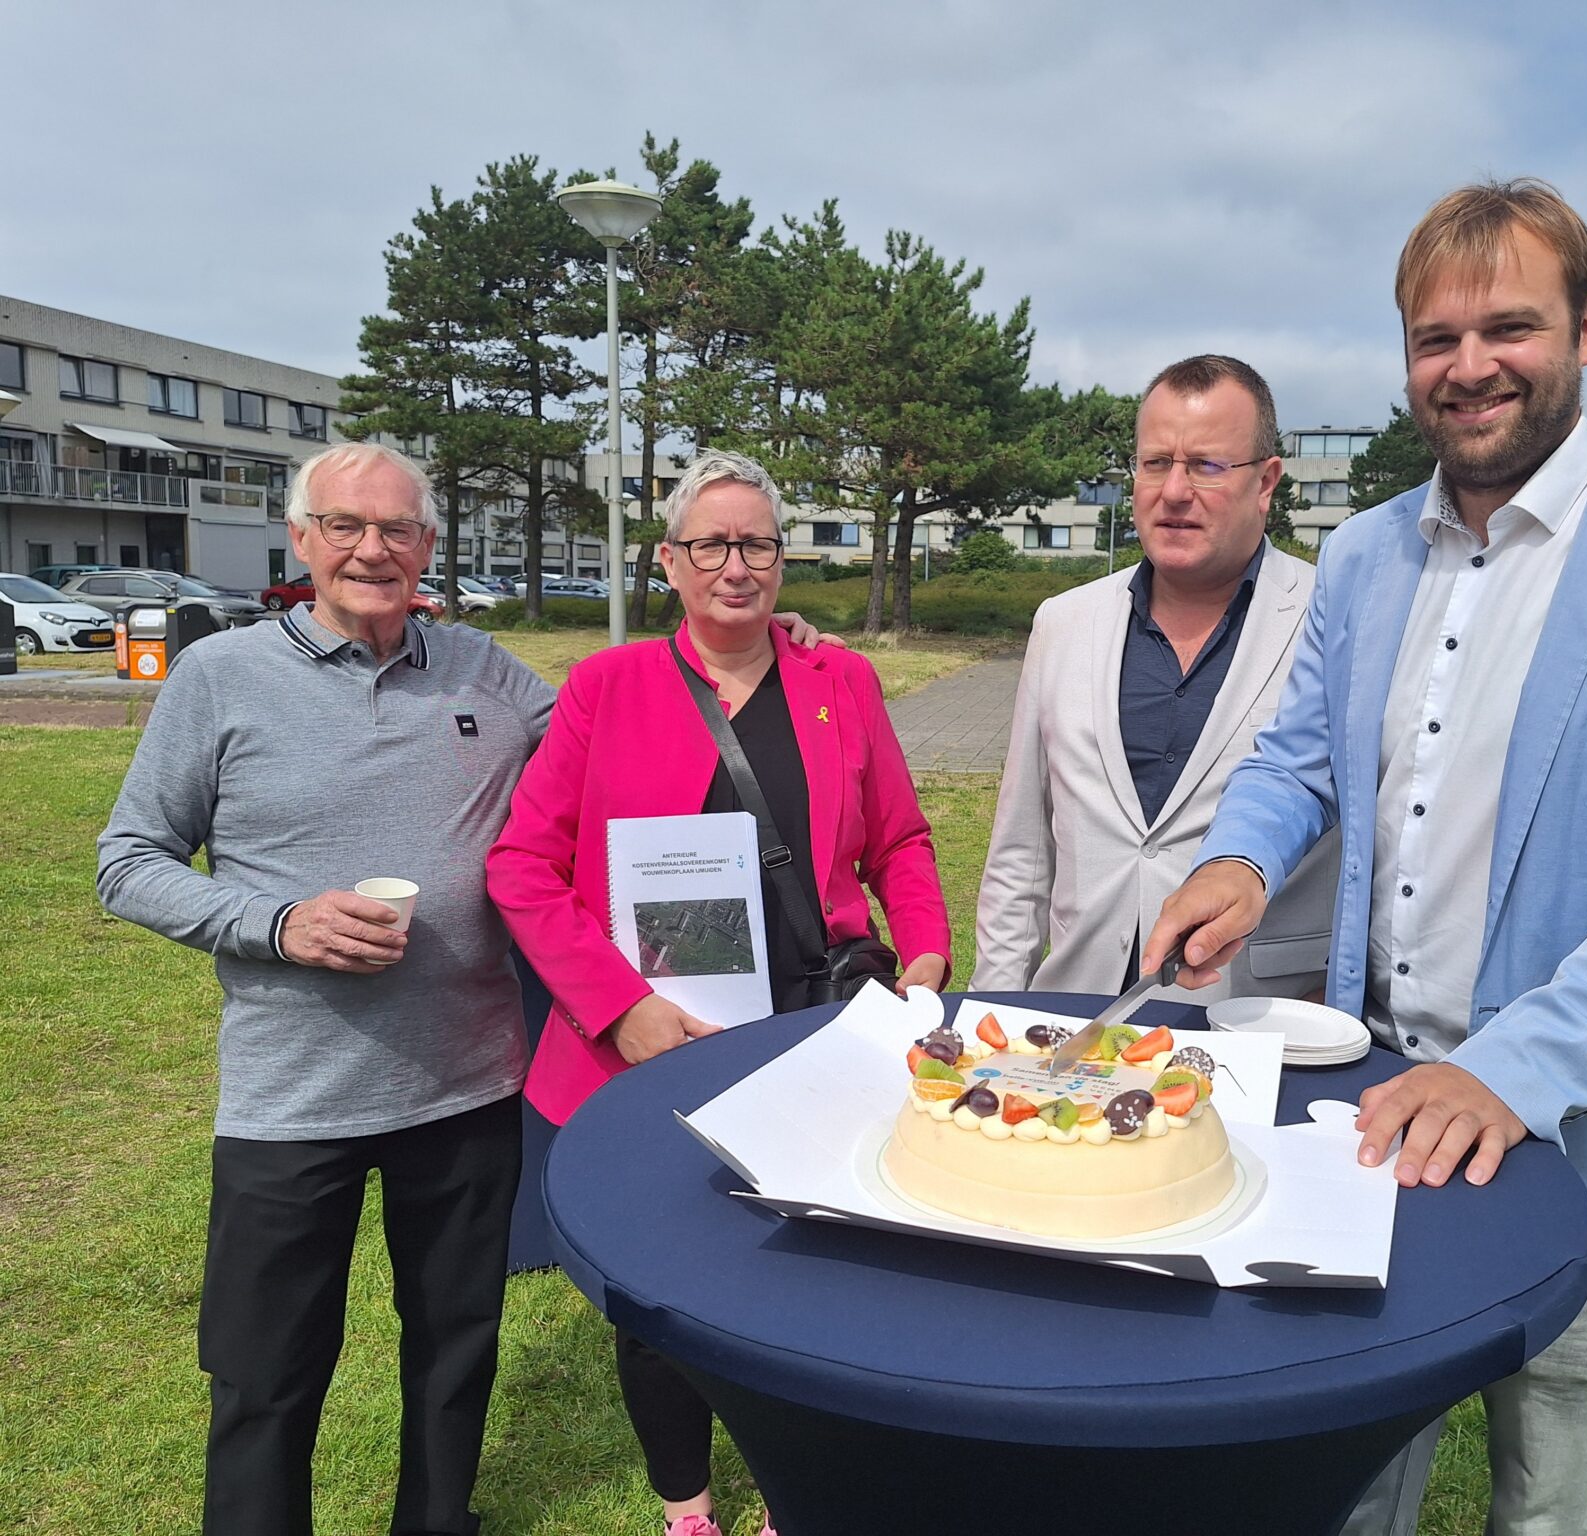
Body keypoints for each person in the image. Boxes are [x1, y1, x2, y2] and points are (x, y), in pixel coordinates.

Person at [1144, 180, 1587, 1535]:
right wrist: (1243, 860)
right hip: (1371, 1113)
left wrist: (1511, 1069)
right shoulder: (1364, 552)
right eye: (1435, 339)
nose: (1470, 368)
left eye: (1509, 327)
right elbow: (1299, 759)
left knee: (1551, 1483)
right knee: (1349, 1462)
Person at [487, 448, 950, 1536]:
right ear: (669, 562)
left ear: (779, 562)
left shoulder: (840, 681)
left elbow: (902, 840)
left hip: (814, 1033)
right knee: (658, 1295)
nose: (735, 566)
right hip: (651, 1043)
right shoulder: (606, 688)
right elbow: (520, 865)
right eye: (711, 544)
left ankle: (795, 1493)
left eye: (755, 544)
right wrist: (616, 1005)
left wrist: (923, 956)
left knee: (812, 1275)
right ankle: (686, 1506)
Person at [96, 441, 556, 1536]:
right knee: (263, 1373)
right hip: (291, 1095)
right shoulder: (221, 677)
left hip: (468, 1082)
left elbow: (618, 730)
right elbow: (128, 861)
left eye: (397, 529)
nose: (372, 549)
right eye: (344, 526)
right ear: (300, 541)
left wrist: (761, 646)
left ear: (429, 547)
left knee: (454, 1349)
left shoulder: (487, 675)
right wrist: (276, 923)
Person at [973, 354, 1339, 998]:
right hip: (1079, 1011)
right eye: (1154, 463)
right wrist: (992, 1004)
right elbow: (1021, 854)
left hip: (1254, 1022)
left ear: (1266, 481)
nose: (1173, 491)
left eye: (1206, 465)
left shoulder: (1332, 616)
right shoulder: (1063, 623)